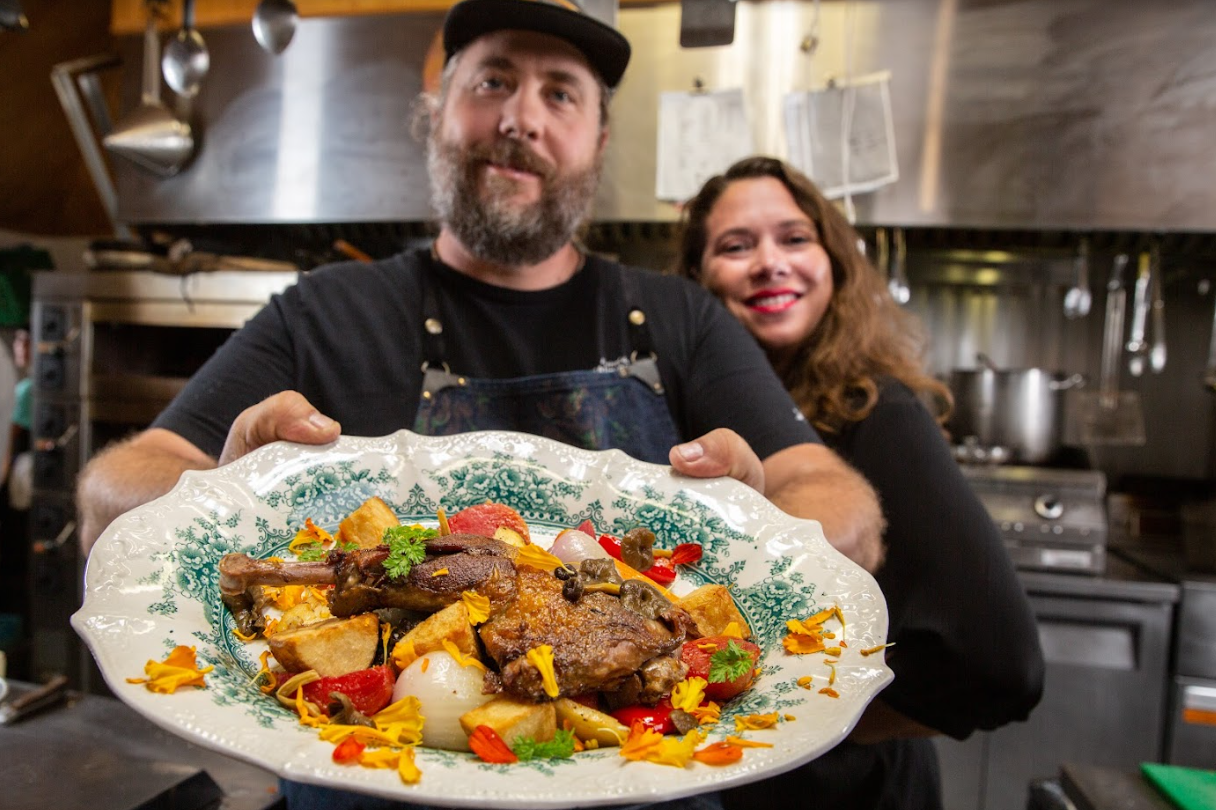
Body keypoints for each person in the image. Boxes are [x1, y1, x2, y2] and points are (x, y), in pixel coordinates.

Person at [75, 3, 885, 809]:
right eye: (493, 79)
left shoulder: (681, 318)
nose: (521, 118)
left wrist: (759, 523)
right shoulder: (325, 310)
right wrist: (220, 495)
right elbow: (112, 487)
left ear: (600, 141)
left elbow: (844, 504)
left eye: (561, 93)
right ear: (434, 117)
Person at [673, 156, 1045, 810]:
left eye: (794, 238)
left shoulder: (876, 410)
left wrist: (827, 726)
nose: (769, 262)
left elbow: (1000, 661)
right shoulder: (703, 414)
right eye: (737, 246)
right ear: (695, 282)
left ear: (834, 264)